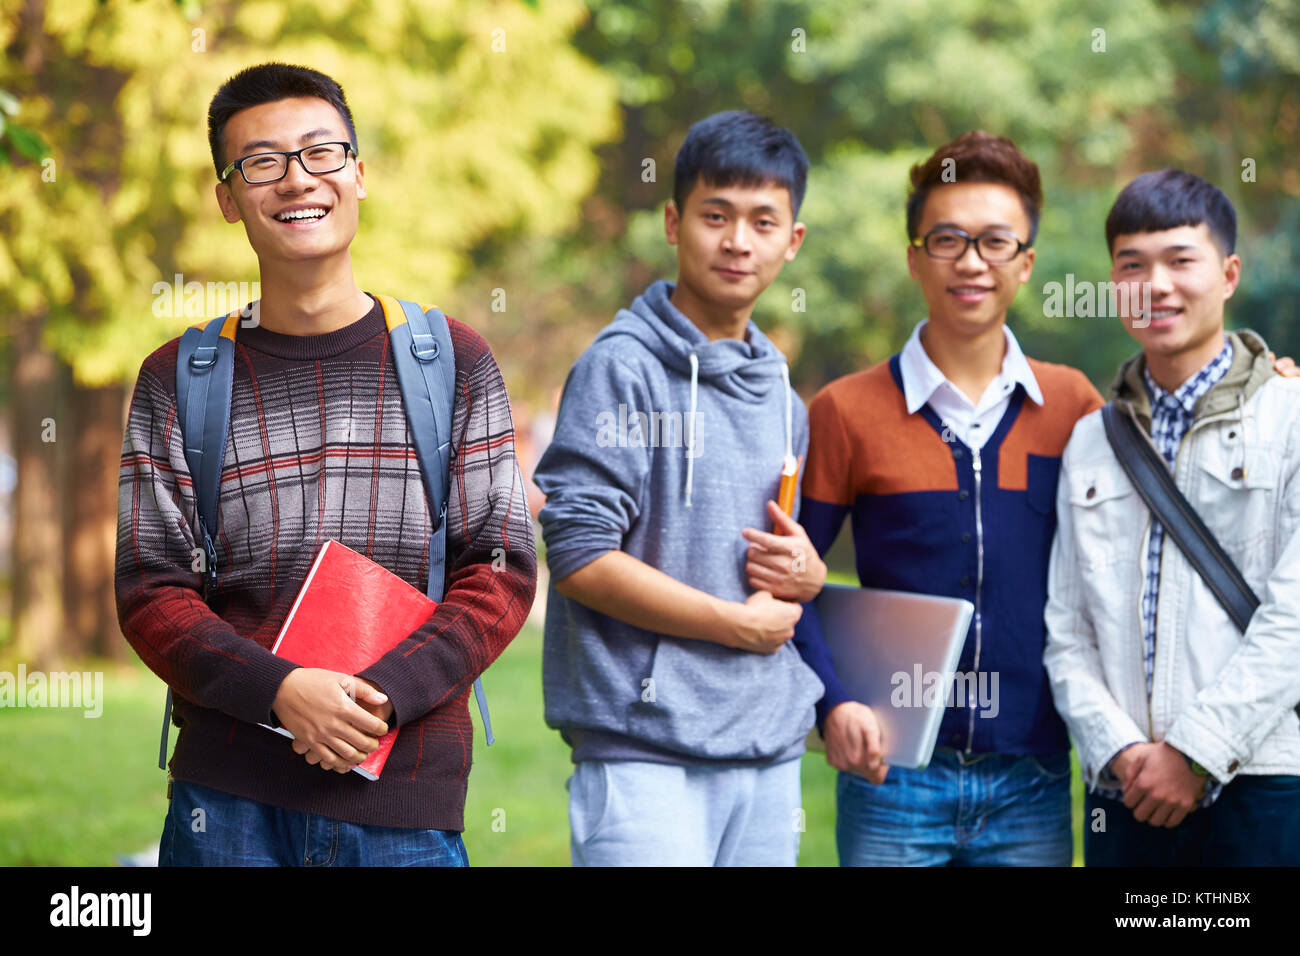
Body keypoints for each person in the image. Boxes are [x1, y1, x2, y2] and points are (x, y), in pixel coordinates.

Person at [115, 62, 536, 866]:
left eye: (320, 153)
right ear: (228, 198)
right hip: (227, 809)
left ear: (359, 173)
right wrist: (280, 691)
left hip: (404, 803)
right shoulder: (179, 378)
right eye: (262, 162)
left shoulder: (451, 360)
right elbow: (150, 590)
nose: (296, 180)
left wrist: (378, 698)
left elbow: (501, 568)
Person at [793, 131, 1106, 866]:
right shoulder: (844, 411)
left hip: (1032, 776)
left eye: (996, 241)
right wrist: (831, 701)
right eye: (947, 239)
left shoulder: (1075, 408)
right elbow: (786, 581)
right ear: (914, 257)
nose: (971, 261)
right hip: (891, 774)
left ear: (1026, 264)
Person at [533, 110, 826, 866]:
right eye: (715, 215)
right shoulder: (620, 369)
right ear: (673, 222)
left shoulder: (783, 400)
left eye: (764, 221)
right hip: (643, 754)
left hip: (767, 749)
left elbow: (778, 556)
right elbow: (580, 557)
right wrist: (733, 625)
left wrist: (809, 573)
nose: (737, 241)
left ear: (792, 241)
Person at [1043, 169, 1300, 866]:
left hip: (1264, 782)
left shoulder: (1290, 416)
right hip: (1126, 795)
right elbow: (1067, 629)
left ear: (1229, 274)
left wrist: (1196, 753)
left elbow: (1294, 617)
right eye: (1132, 265)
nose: (1156, 286)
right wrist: (1119, 751)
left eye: (1182, 260)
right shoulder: (1092, 441)